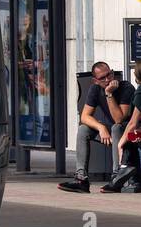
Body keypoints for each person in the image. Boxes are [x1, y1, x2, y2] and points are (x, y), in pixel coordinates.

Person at [60, 61, 135, 193]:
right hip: (112, 133)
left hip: (130, 133)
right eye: (103, 78)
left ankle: (116, 177)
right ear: (95, 80)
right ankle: (81, 179)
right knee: (83, 129)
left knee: (116, 127)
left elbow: (120, 118)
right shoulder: (95, 89)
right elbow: (84, 116)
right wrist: (101, 127)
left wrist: (109, 94)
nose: (108, 80)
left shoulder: (126, 87)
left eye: (109, 75)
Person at [107, 60, 141, 193]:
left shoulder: (139, 92)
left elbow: (132, 121)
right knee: (131, 133)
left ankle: (123, 174)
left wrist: (120, 143)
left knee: (128, 136)